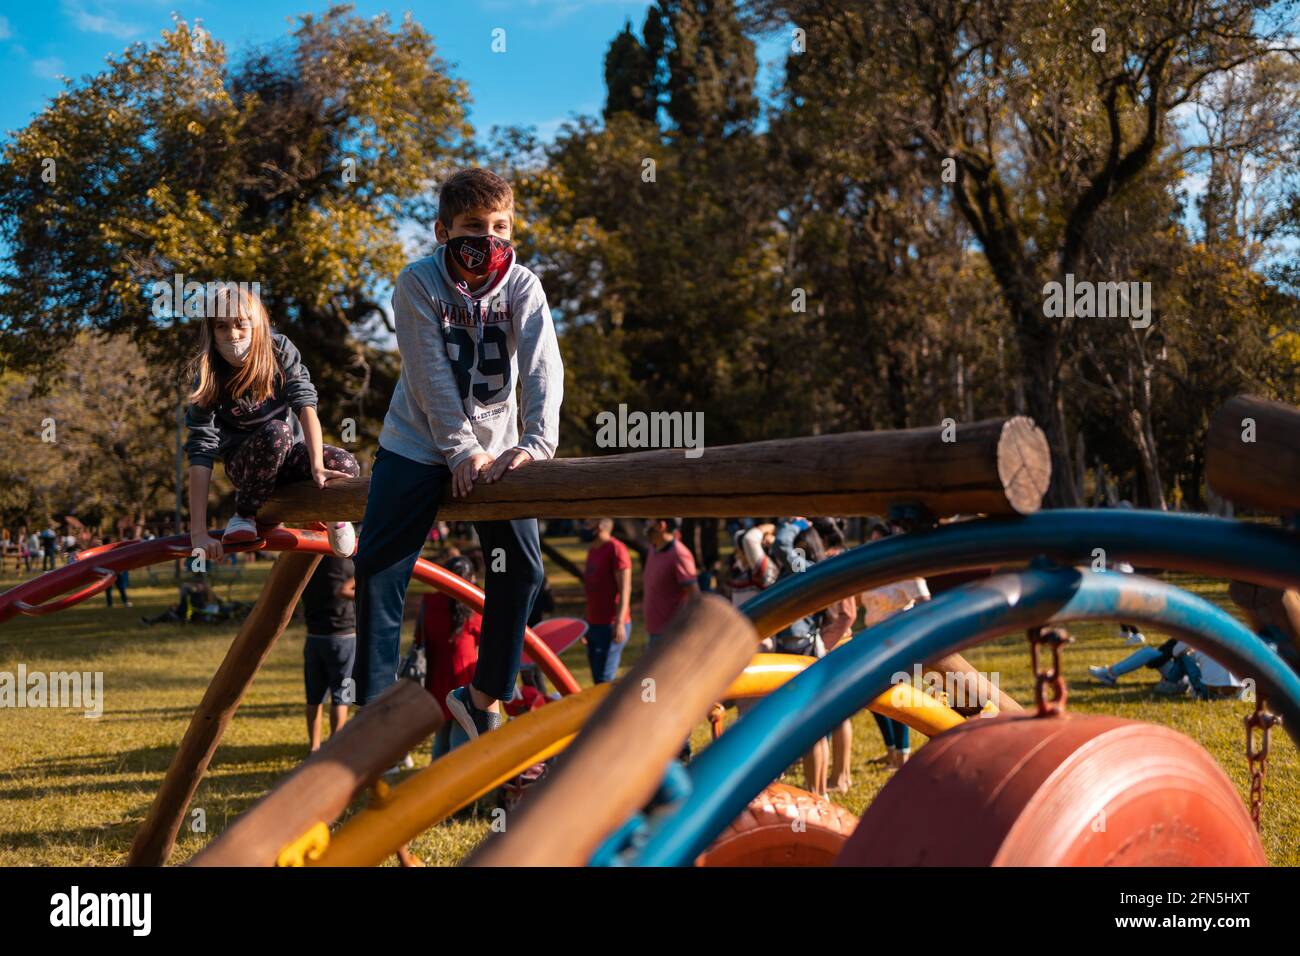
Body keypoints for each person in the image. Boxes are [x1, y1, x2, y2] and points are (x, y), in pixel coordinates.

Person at [351, 168, 563, 750]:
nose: (488, 238)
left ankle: (481, 696)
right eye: (474, 227)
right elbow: (428, 374)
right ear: (443, 231)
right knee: (379, 565)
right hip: (417, 443)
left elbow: (544, 365)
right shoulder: (418, 281)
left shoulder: (522, 285)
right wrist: (458, 448)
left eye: (500, 227)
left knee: (520, 570)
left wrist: (535, 444)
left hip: (497, 451)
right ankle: (375, 716)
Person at [182, 284, 359, 567]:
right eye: (222, 327)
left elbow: (305, 403)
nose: (233, 335)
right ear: (211, 332)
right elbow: (201, 450)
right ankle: (244, 512)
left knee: (345, 464)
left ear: (257, 325)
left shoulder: (279, 351)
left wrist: (316, 465)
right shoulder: (210, 375)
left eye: (241, 324)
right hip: (249, 465)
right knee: (277, 431)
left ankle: (333, 516)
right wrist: (199, 533)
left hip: (291, 456)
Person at [417, 556, 483, 758]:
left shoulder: (429, 603)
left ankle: (435, 777)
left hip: (435, 677)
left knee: (442, 735)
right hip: (464, 678)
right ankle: (452, 782)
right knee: (460, 736)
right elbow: (483, 639)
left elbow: (420, 636)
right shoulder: (473, 605)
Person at [301, 555, 357, 752]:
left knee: (314, 697)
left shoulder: (308, 558)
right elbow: (346, 589)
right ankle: (335, 747)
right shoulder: (348, 562)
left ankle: (314, 747)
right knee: (342, 696)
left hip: (314, 636)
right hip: (344, 636)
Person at [582, 518, 632, 683]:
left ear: (601, 526)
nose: (585, 527)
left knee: (604, 680)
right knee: (597, 679)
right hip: (593, 624)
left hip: (611, 625)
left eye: (589, 523)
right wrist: (585, 625)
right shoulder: (593, 550)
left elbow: (625, 589)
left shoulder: (616, 549)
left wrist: (619, 622)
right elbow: (591, 591)